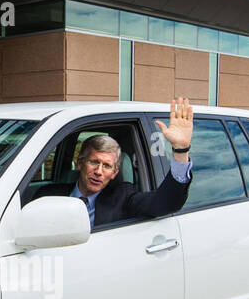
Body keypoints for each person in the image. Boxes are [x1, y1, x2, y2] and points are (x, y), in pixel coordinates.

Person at [32, 97, 195, 227]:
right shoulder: (48, 195)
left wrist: (181, 151)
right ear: (80, 163)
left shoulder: (123, 197)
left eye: (107, 166)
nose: (99, 171)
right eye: (94, 162)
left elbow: (165, 203)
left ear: (115, 173)